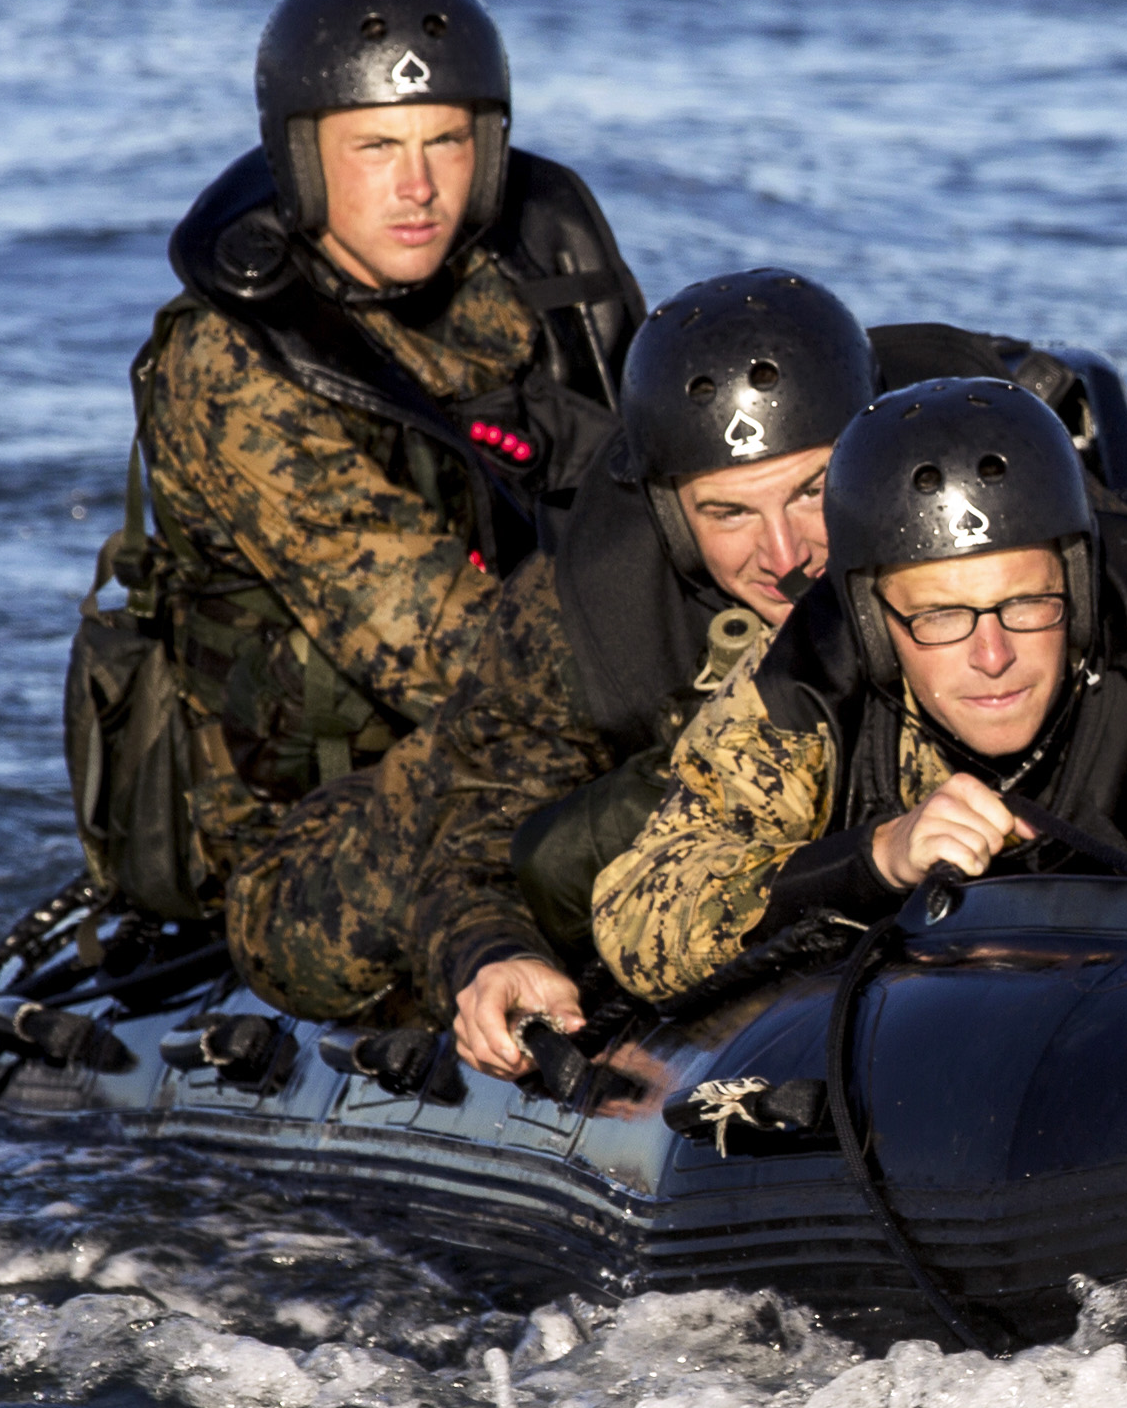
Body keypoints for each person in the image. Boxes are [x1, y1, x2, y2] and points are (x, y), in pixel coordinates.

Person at [226, 268, 871, 1069]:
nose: (784, 555)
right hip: (396, 832)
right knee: (323, 941)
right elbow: (476, 838)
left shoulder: (960, 515)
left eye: (812, 492)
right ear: (671, 513)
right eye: (729, 512)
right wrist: (494, 955)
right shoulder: (588, 603)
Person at [110, 0, 642, 922]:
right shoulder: (231, 365)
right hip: (307, 834)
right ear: (305, 161)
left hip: (547, 722)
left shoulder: (525, 279)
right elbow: (443, 651)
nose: (419, 186)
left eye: (447, 141)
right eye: (375, 147)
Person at [594, 380, 1127, 1000]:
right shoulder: (803, 690)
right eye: (939, 615)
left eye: (1024, 604)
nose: (992, 654)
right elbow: (638, 918)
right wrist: (876, 859)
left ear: (1074, 590)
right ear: (875, 624)